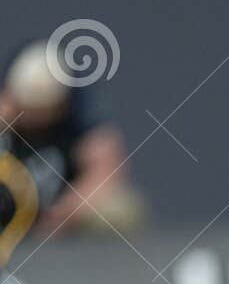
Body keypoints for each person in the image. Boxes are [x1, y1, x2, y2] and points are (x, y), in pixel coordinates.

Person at [0, 41, 140, 237]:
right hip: (10, 215)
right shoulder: (7, 116)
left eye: (43, 110)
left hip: (60, 219)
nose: (35, 119)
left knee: (118, 208)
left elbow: (107, 166)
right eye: (29, 110)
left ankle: (100, 266)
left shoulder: (78, 119)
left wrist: (68, 210)